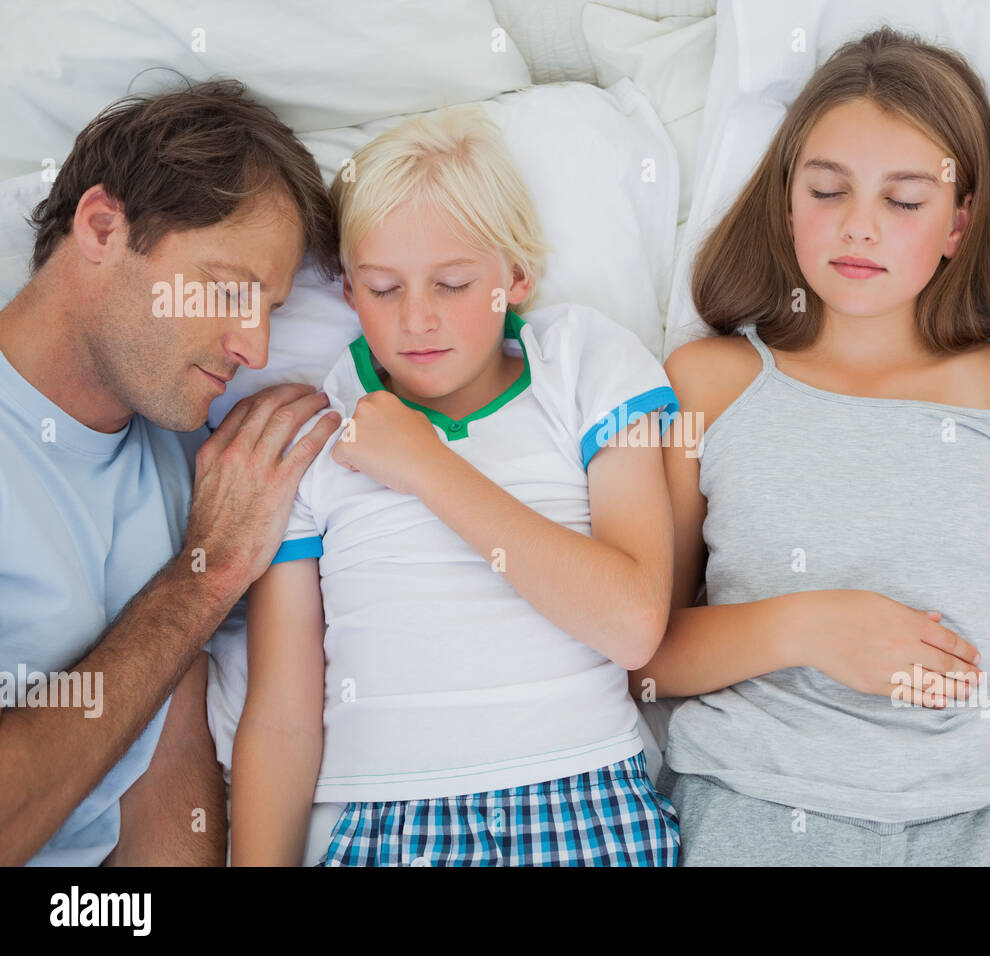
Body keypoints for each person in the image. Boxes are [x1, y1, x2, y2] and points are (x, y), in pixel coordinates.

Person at [634, 28, 990, 866]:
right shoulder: (708, 382)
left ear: (960, 223)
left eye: (904, 201)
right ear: (787, 199)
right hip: (753, 806)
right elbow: (644, 660)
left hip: (987, 817)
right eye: (828, 191)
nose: (859, 229)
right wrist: (804, 627)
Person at [230, 106, 681, 866]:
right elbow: (281, 715)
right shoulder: (314, 432)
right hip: (387, 823)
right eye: (383, 288)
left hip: (582, 799)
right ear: (347, 293)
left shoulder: (585, 363)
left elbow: (633, 623)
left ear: (516, 277)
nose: (417, 319)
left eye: (453, 283)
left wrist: (425, 466)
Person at [0, 79, 342, 865]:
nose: (254, 349)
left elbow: (162, 792)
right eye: (229, 290)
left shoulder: (185, 472)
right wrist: (204, 579)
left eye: (272, 313)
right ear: (101, 227)